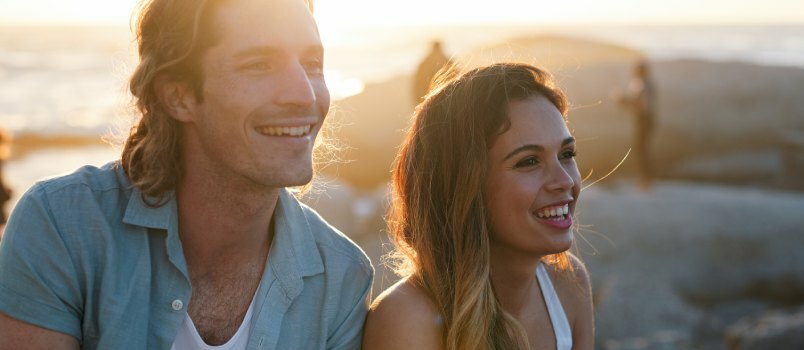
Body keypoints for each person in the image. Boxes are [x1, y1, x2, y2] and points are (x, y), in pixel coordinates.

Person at [0, 0, 373, 348]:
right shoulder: (63, 228)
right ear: (178, 96)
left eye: (311, 64)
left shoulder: (341, 278)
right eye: (259, 64)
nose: (304, 95)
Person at [363, 63, 594, 350]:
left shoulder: (568, 285)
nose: (565, 180)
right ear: (463, 186)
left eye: (567, 154)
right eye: (529, 161)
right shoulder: (408, 318)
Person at [616, 58, 656, 191]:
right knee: (642, 150)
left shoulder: (643, 84)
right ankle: (644, 181)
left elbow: (642, 106)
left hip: (643, 121)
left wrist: (623, 101)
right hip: (647, 121)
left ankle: (645, 182)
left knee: (641, 150)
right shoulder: (646, 83)